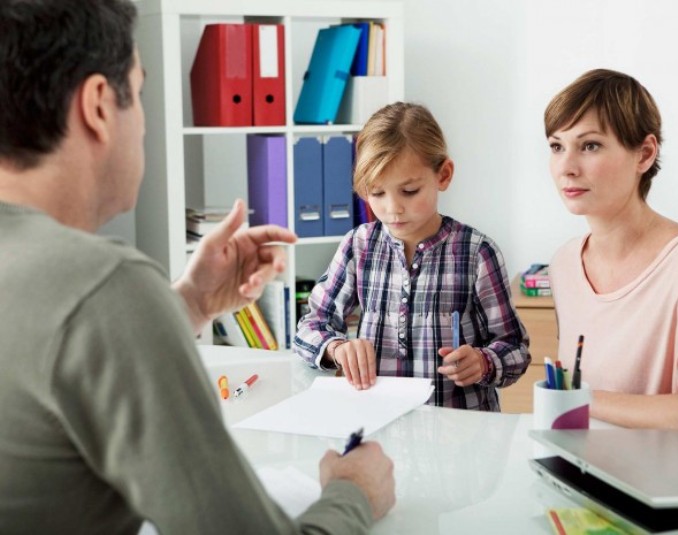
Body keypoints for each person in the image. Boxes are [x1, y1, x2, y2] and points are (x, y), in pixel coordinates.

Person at [0, 1, 395, 533]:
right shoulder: (104, 286)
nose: (142, 122)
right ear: (97, 106)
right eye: (138, 94)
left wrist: (188, 303)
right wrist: (354, 492)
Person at [544, 68, 678, 438]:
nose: (567, 167)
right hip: (602, 473)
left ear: (644, 154)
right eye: (557, 146)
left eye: (589, 145)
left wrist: (572, 399)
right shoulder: (563, 264)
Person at [294, 102, 530, 411]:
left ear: (443, 175)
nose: (393, 208)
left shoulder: (476, 253)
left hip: (460, 437)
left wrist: (484, 363)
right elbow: (311, 325)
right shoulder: (358, 245)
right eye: (377, 193)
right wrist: (336, 349)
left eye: (409, 191)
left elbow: (515, 348)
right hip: (379, 431)